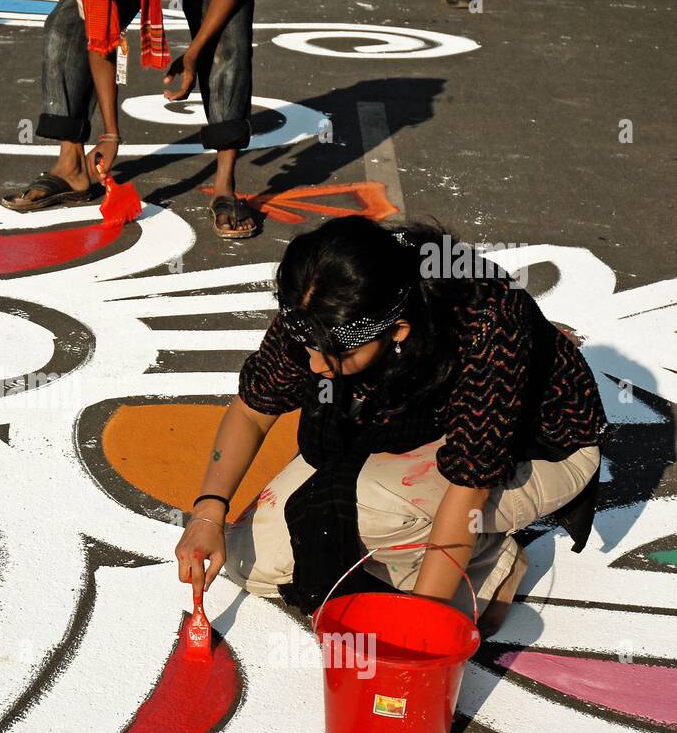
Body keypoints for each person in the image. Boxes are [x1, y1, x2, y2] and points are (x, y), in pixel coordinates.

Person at [174, 216, 610, 638]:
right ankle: (412, 548)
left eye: (332, 355)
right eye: (306, 346)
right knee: (251, 561)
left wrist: (420, 628)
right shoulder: (326, 297)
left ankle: (488, 567)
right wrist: (208, 512)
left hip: (534, 446)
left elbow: (470, 486)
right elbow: (253, 409)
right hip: (413, 427)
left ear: (397, 331)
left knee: (366, 504)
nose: (313, 364)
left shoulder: (485, 321)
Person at [2, 0, 259, 240]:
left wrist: (193, 54)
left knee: (226, 43)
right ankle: (71, 167)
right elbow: (99, 41)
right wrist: (111, 135)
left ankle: (224, 185)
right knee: (65, 30)